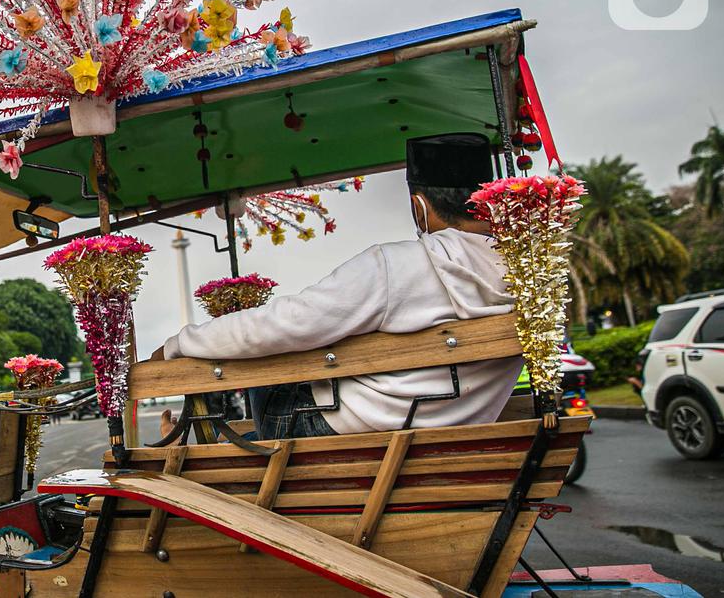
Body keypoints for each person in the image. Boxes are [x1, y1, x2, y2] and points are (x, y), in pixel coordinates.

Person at [157, 133, 523, 440]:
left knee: (266, 347)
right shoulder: (527, 275)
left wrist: (178, 344)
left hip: (349, 432)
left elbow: (285, 324)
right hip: (452, 437)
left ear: (419, 206)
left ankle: (211, 444)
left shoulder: (397, 266)